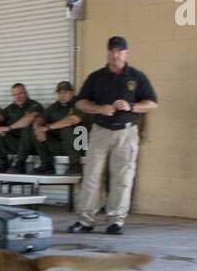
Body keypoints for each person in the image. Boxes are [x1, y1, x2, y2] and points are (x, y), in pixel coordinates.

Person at [68, 36, 158, 235]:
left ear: (126, 53)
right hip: (100, 132)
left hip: (126, 133)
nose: (115, 54)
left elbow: (152, 103)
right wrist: (100, 108)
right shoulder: (96, 77)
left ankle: (115, 221)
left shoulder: (137, 77)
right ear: (107, 52)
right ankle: (85, 221)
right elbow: (80, 102)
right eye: (112, 50)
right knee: (91, 176)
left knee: (122, 178)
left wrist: (131, 106)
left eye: (119, 51)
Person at [0, 83, 44, 173]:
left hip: (30, 144)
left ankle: (20, 163)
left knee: (28, 126)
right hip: (16, 144)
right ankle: (3, 162)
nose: (18, 97)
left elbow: (29, 119)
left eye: (20, 94)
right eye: (14, 95)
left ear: (26, 93)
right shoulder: (11, 108)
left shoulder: (35, 105)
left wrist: (9, 128)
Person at [33, 81, 85, 176]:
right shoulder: (56, 106)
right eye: (60, 93)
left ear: (72, 92)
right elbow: (41, 118)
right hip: (63, 145)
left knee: (67, 127)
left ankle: (76, 165)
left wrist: (48, 127)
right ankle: (47, 165)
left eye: (65, 92)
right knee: (36, 130)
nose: (62, 95)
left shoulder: (79, 103)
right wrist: (37, 127)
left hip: (80, 145)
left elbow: (72, 120)